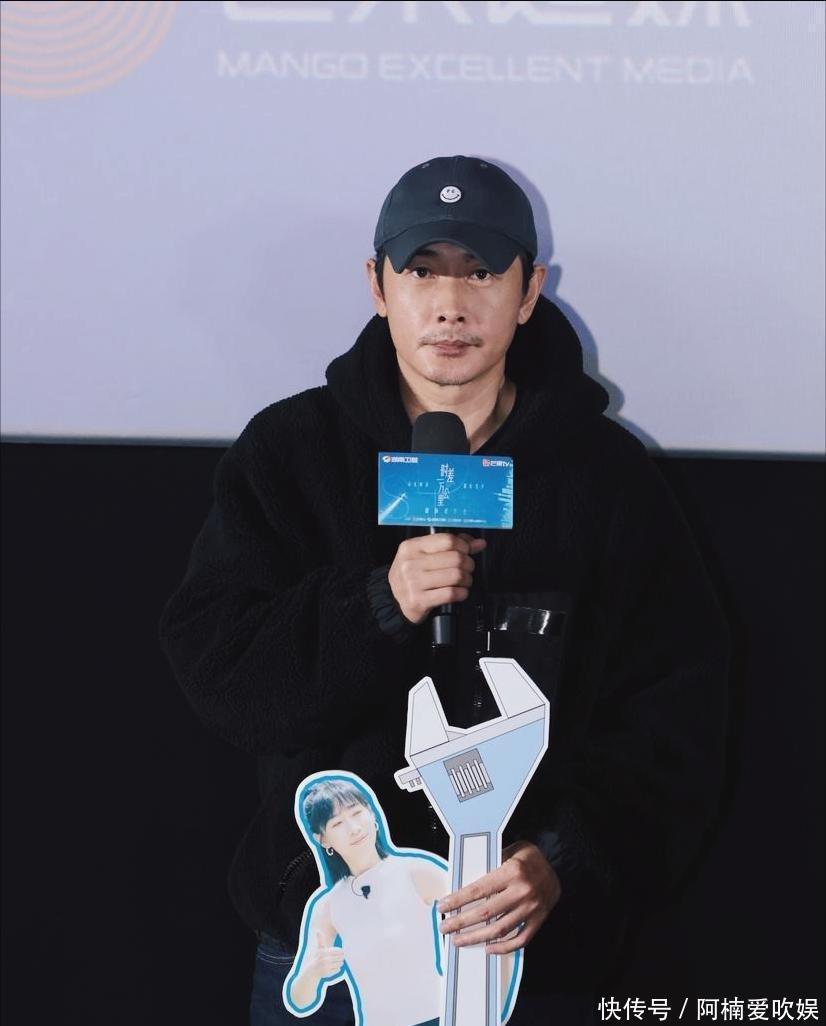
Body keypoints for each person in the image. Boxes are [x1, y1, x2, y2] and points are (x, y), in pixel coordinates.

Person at [159, 155, 729, 1025]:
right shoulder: (290, 453)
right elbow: (223, 670)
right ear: (377, 286)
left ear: (530, 291)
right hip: (335, 950)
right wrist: (376, 606)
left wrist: (565, 856)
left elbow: (677, 710)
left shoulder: (606, 477)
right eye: (422, 271)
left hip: (526, 952)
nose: (451, 304)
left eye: (483, 272)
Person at [284, 775, 449, 1026]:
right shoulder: (328, 906)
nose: (354, 828)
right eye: (337, 823)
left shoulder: (416, 871)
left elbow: (481, 908)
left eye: (356, 812)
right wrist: (315, 971)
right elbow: (300, 999)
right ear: (322, 839)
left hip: (437, 1018)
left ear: (372, 813)